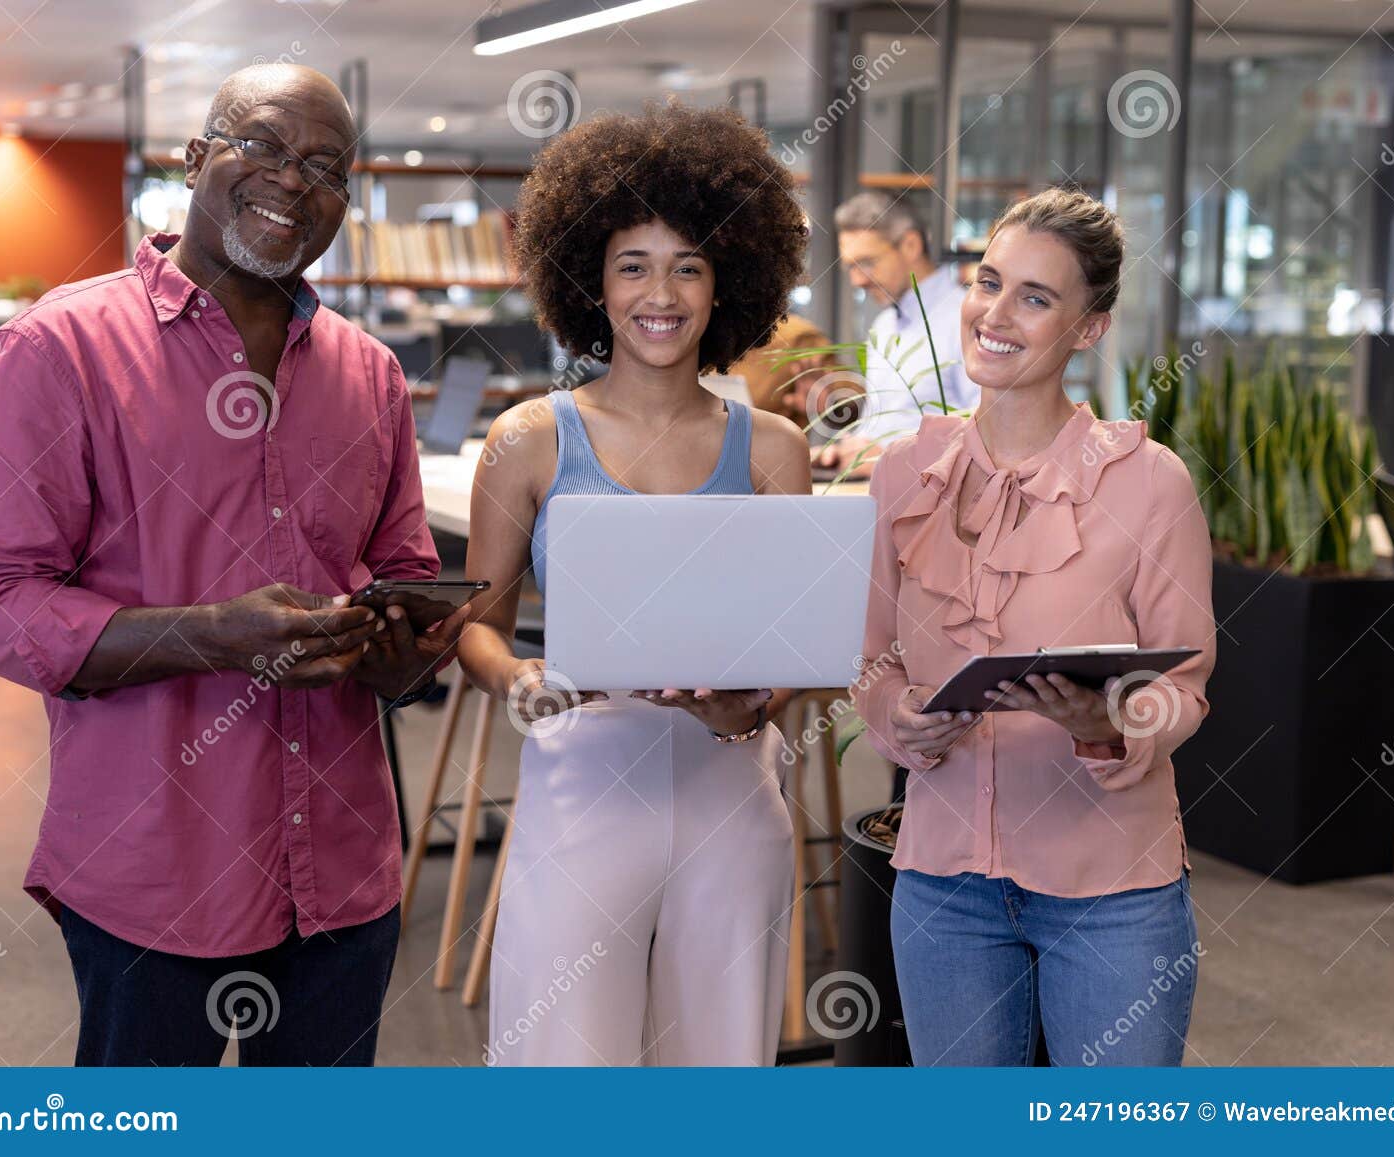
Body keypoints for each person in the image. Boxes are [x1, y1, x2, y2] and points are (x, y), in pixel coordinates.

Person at [0, 64, 468, 1066]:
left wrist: (403, 651)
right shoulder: (60, 348)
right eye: (262, 144)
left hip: (343, 871)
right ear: (193, 158)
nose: (291, 180)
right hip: (152, 867)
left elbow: (402, 575)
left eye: (325, 166)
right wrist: (214, 633)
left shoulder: (371, 375)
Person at [457, 101, 809, 1065]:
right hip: (582, 775)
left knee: (724, 1061)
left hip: (730, 784)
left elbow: (796, 651)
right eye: (633, 265)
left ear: (725, 282)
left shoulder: (774, 450)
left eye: (688, 265)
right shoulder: (530, 439)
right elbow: (476, 627)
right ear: (592, 282)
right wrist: (519, 682)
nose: (663, 293)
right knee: (562, 1063)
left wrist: (749, 707)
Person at [851, 187, 1215, 1066]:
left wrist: (1111, 721)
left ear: (1088, 328)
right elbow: (872, 662)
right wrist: (897, 717)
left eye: (1035, 297)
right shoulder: (904, 473)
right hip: (942, 885)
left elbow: (1188, 689)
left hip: (1113, 892)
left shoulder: (1149, 483)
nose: (995, 314)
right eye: (987, 282)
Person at [816, 191, 979, 477]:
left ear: (911, 245)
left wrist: (891, 459)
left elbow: (989, 429)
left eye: (866, 263)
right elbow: (880, 427)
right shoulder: (883, 326)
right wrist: (845, 450)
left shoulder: (969, 320)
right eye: (850, 267)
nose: (858, 280)